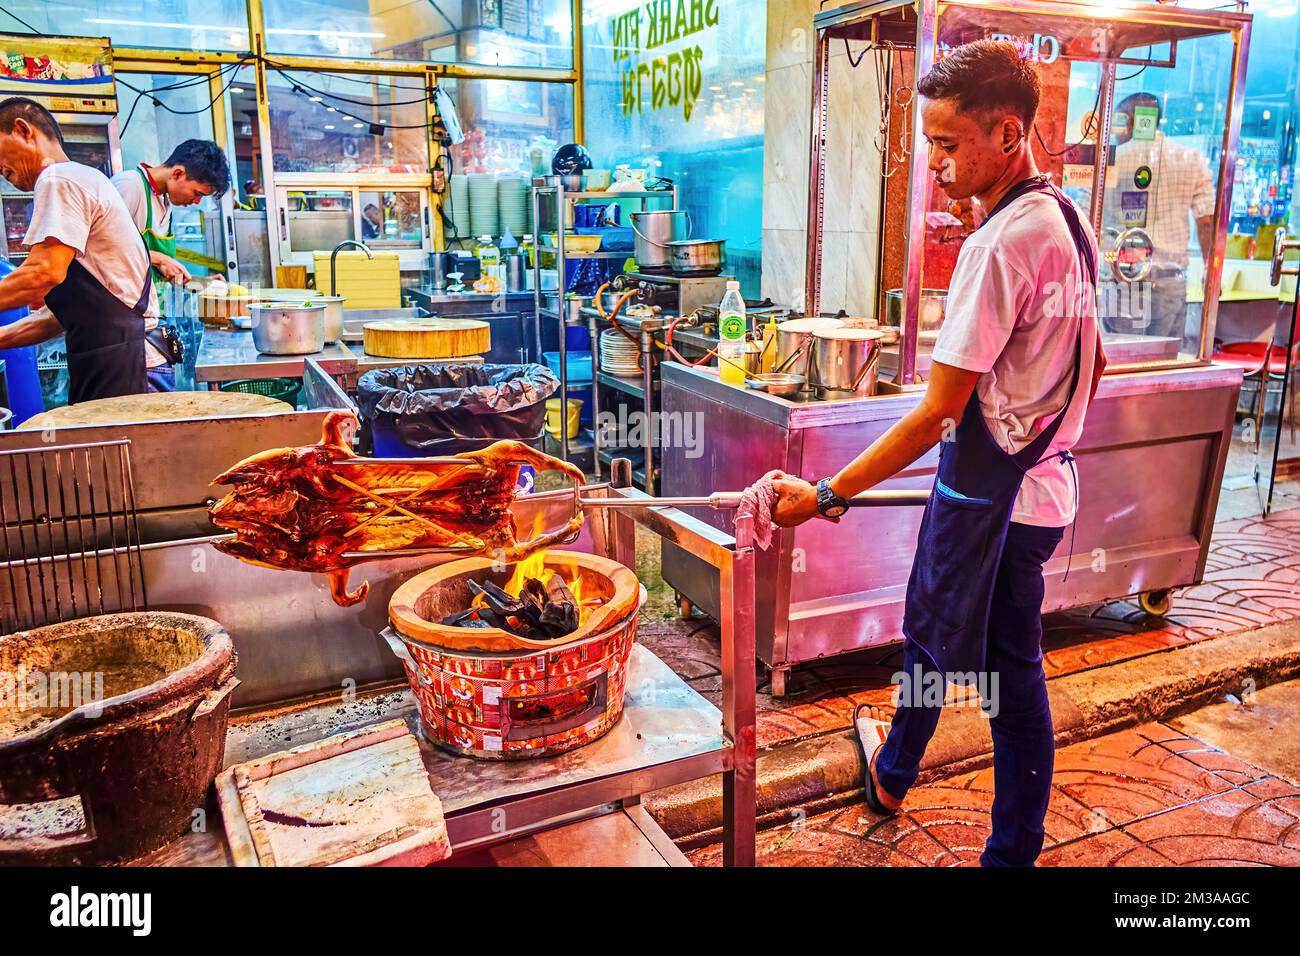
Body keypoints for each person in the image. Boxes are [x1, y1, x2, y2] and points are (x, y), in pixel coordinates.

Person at [771, 40, 1108, 866]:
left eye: (949, 147)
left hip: (1005, 503)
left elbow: (934, 414)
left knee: (1011, 682)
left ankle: (1011, 852)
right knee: (930, 631)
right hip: (1023, 486)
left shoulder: (1000, 245)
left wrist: (826, 494)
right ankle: (892, 772)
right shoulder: (1062, 216)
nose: (937, 167)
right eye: (929, 146)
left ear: (1007, 132)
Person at [0, 97, 160, 402]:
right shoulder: (81, 179)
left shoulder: (58, 177)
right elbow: (56, 318)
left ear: (22, 131)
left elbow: (41, 274)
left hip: (131, 368)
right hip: (122, 361)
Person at [111, 139, 230, 391]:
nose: (196, 202)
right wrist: (158, 257)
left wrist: (200, 282)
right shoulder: (130, 187)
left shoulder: (165, 203)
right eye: (197, 193)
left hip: (150, 323)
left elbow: (154, 270)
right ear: (178, 173)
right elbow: (101, 247)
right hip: (122, 332)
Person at [1103, 92, 1215, 343]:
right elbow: (1206, 221)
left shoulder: (1113, 159)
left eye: (1119, 121)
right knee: (1163, 364)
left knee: (1122, 364)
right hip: (1171, 280)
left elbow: (1086, 214)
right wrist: (1210, 269)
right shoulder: (1191, 159)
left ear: (1133, 121)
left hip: (1125, 281)